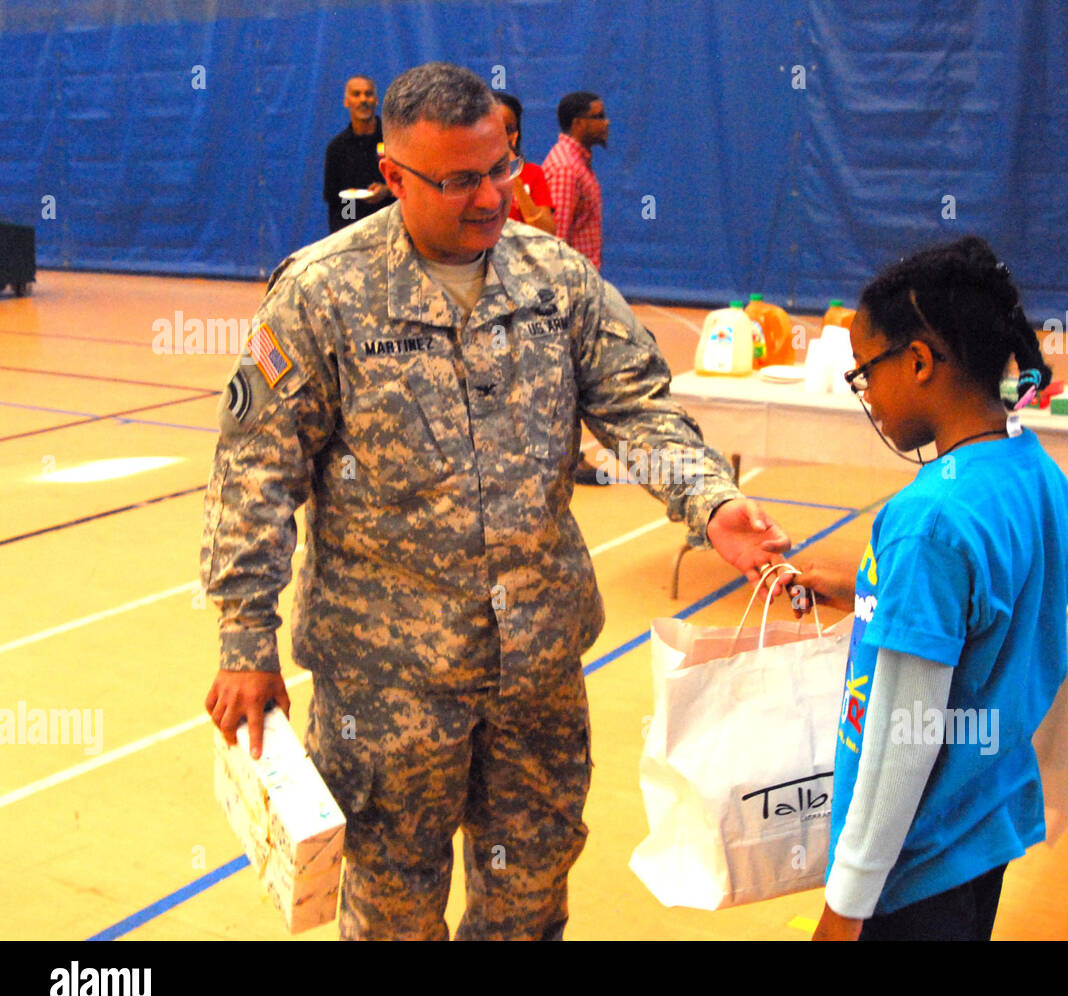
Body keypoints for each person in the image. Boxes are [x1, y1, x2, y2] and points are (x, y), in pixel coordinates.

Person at [201, 61, 789, 941]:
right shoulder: (323, 295)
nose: (490, 196)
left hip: (536, 673)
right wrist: (246, 639)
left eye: (500, 165)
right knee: (393, 910)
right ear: (393, 178)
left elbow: (637, 406)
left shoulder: (553, 278)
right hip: (389, 686)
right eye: (459, 179)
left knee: (530, 896)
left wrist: (711, 502)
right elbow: (257, 473)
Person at [790, 237, 1068, 941]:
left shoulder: (929, 520)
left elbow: (900, 735)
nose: (866, 395)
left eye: (866, 374)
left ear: (917, 361)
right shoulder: (1037, 473)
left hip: (911, 869)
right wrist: (860, 590)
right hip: (984, 824)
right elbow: (991, 619)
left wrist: (847, 899)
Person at [322, 75, 395, 234]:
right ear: (346, 102)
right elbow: (338, 200)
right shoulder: (337, 148)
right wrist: (346, 234)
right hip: (354, 234)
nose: (363, 100)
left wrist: (388, 190)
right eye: (356, 94)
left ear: (376, 100)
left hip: (393, 229)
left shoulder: (394, 140)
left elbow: (411, 185)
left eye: (368, 94)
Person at [542, 91, 607, 269]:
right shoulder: (566, 168)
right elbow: (555, 240)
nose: (606, 123)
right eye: (598, 117)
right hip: (571, 284)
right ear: (578, 123)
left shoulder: (577, 162)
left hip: (583, 281)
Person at [492, 91, 555, 235]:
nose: (501, 136)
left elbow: (546, 232)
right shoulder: (468, 175)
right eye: (495, 129)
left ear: (516, 134)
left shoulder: (532, 174)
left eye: (508, 130)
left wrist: (513, 176)